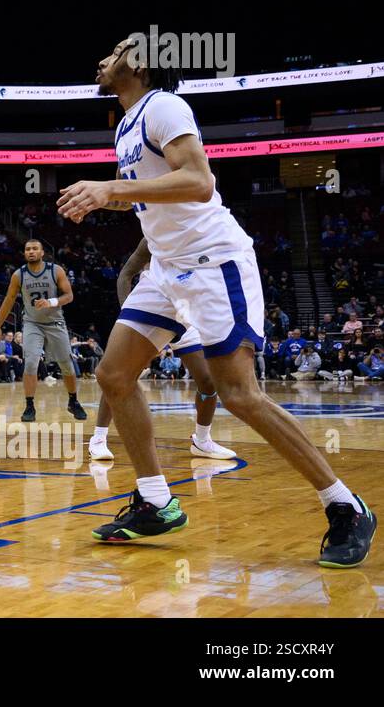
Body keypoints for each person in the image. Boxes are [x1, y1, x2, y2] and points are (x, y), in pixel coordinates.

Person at [58, 37, 374, 566]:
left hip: (212, 262)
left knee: (240, 395)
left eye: (114, 51)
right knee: (114, 376)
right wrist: (107, 199)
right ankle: (156, 501)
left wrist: (107, 188)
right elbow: (157, 197)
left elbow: (201, 182)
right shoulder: (126, 123)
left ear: (139, 63)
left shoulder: (164, 106)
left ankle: (344, 504)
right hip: (166, 268)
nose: (102, 59)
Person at [0, 239, 86, 423]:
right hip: (32, 323)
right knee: (31, 363)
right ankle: (29, 405)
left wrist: (51, 302)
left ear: (42, 252)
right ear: (24, 253)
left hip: (55, 321)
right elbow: (9, 300)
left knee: (66, 363)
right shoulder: (19, 275)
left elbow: (69, 296)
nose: (31, 252)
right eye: (27, 249)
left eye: (35, 249)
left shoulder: (55, 270)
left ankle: (73, 401)